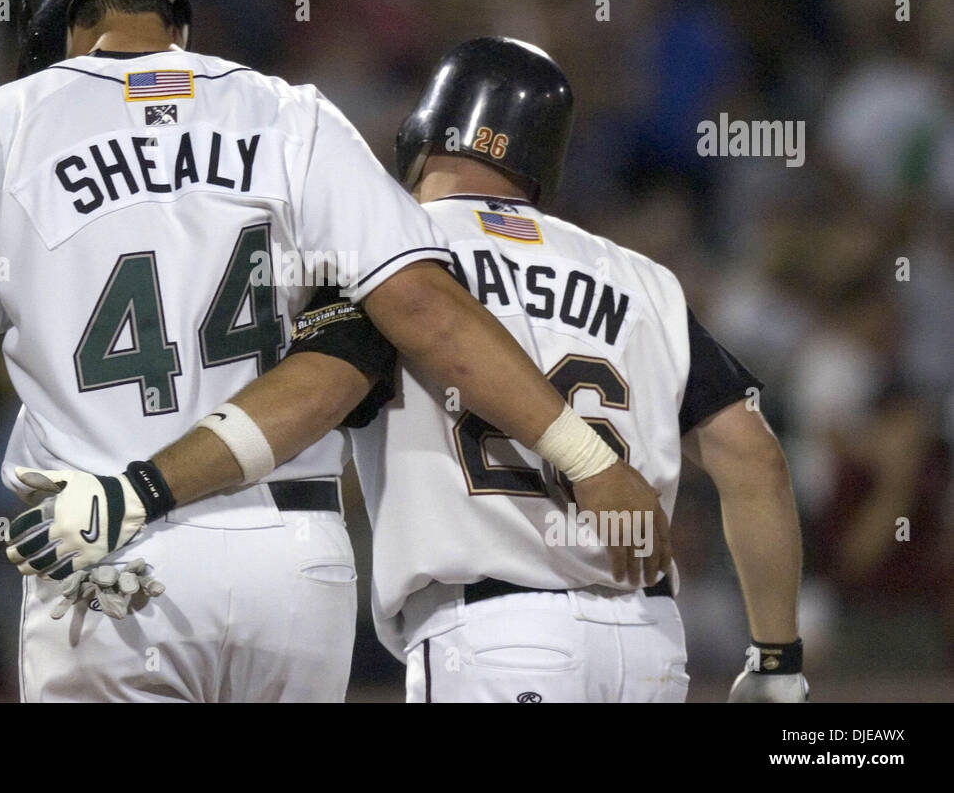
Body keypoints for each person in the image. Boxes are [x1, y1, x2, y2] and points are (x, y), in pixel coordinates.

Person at [0, 0, 664, 703]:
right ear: (174, 24)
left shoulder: (11, 121)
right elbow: (426, 309)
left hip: (106, 550)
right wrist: (587, 460)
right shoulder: (287, 111)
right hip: (292, 560)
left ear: (58, 34)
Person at [52, 38, 804, 703]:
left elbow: (317, 391)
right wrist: (775, 657)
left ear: (420, 139)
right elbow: (753, 457)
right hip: (648, 645)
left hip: (497, 634)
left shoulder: (390, 253)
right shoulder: (643, 279)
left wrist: (144, 488)